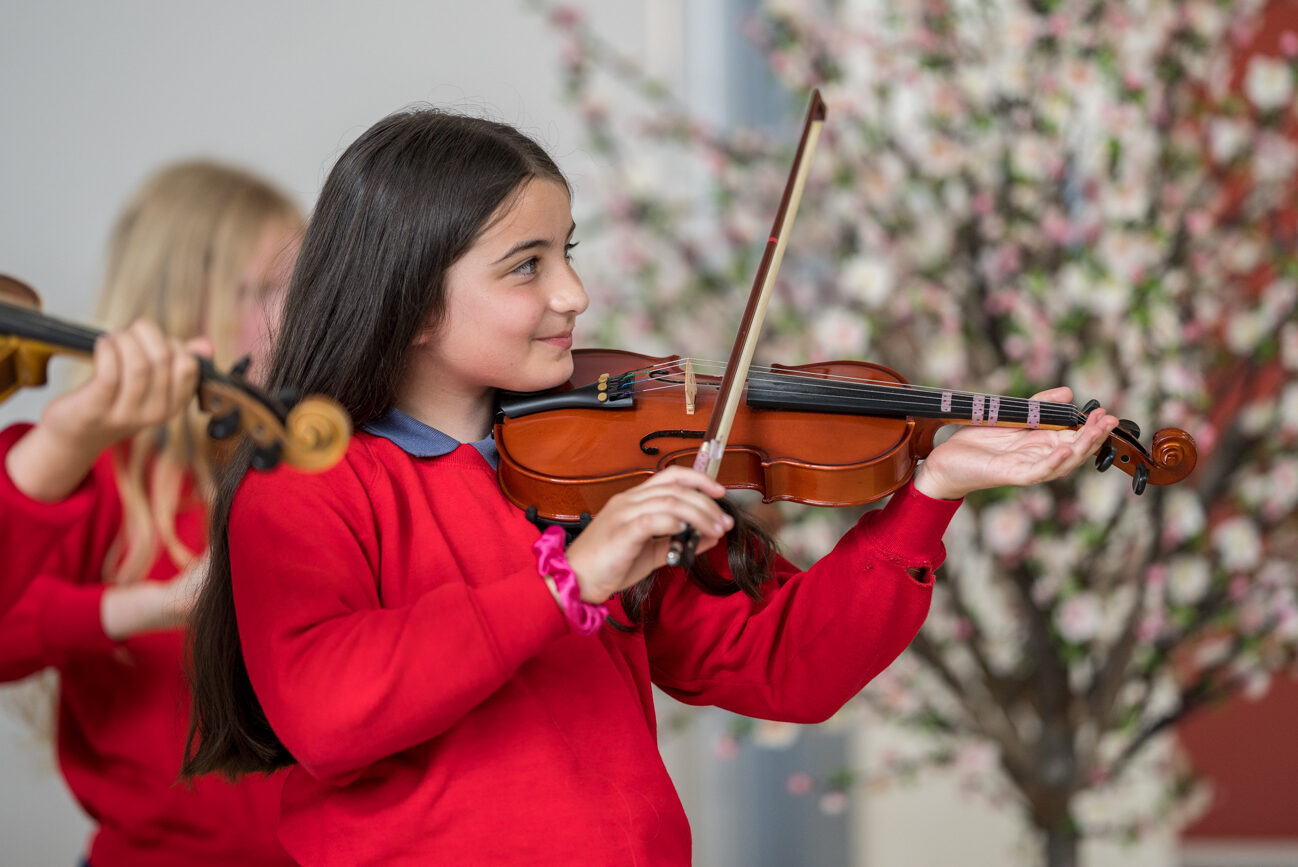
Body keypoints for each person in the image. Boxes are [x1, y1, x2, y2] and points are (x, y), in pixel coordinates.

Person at [181, 108, 1119, 866]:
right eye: (528, 266)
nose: (575, 295)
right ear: (412, 298)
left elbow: (788, 666)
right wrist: (562, 585)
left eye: (568, 252)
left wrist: (930, 494)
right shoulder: (311, 482)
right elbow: (328, 713)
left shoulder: (594, 473)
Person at [0, 160, 302, 867]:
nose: (295, 313)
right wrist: (149, 605)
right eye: (263, 289)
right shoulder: (94, 471)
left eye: (303, 285)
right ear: (177, 305)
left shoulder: (306, 458)